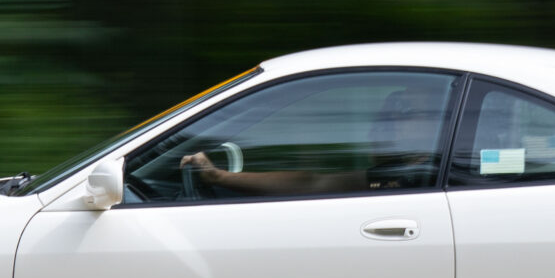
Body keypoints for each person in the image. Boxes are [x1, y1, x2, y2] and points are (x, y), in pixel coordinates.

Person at [176, 89, 439, 195]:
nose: (382, 126)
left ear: (437, 122)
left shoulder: (438, 175)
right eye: (385, 115)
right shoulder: (396, 176)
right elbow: (312, 183)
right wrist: (219, 177)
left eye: (403, 111)